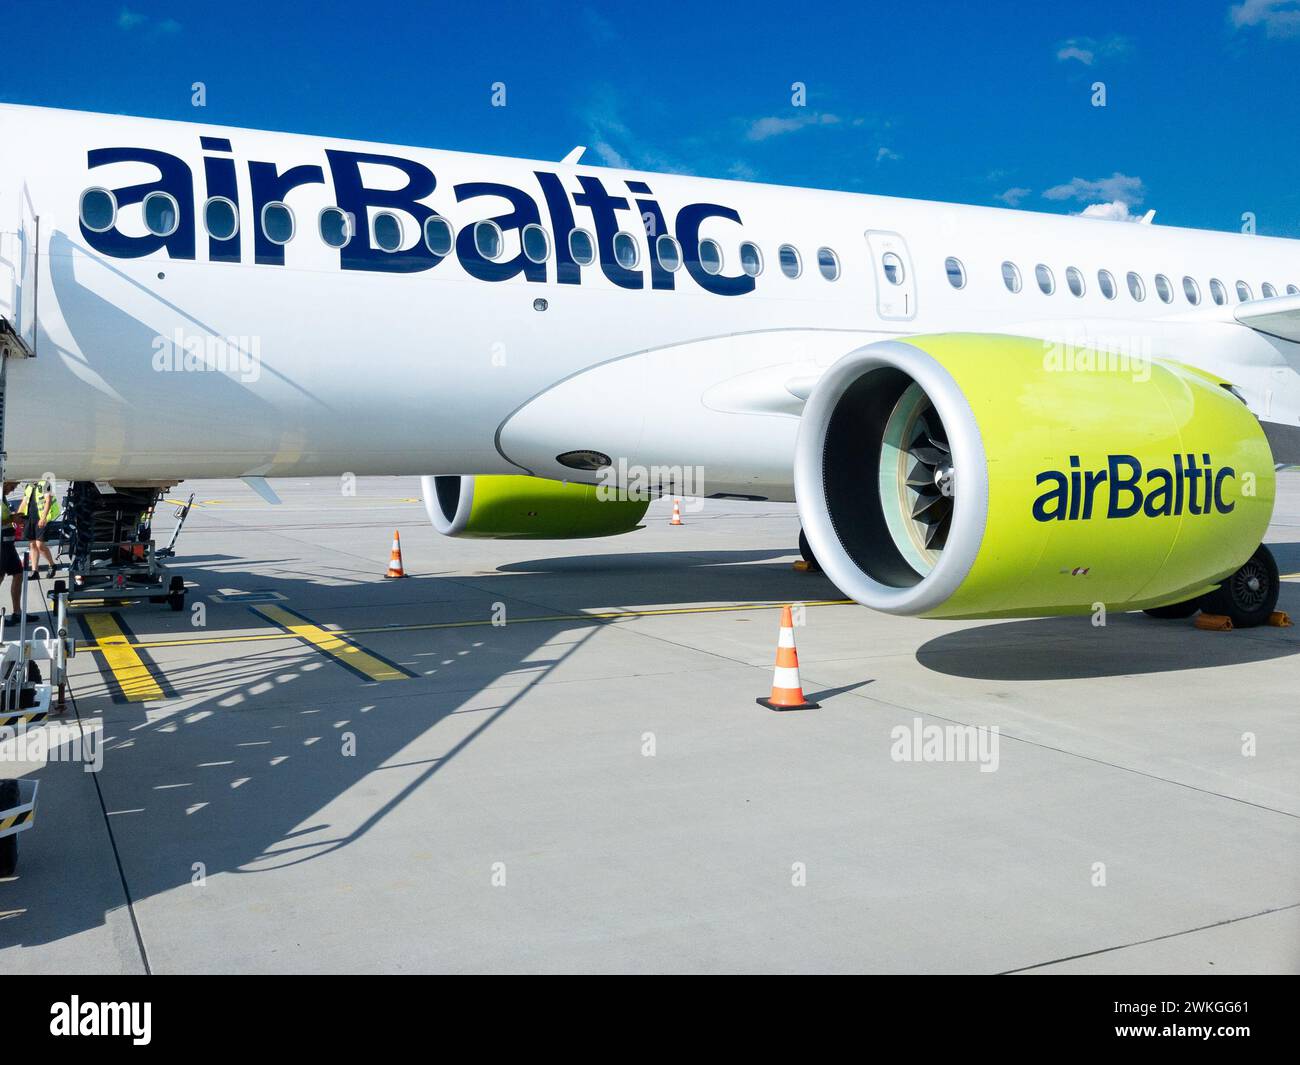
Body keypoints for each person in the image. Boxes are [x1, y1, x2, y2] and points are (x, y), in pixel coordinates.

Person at [17, 477, 59, 577]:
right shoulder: (29, 486)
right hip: (29, 518)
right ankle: (35, 571)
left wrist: (43, 518)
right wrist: (18, 516)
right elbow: (24, 502)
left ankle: (52, 565)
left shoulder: (45, 484)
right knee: (32, 545)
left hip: (41, 518)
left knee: (40, 545)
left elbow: (48, 500)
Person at [1, 482, 25, 621]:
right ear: (5, 483)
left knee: (18, 574)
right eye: (12, 487)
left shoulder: (3, 497)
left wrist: (13, 517)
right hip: (1, 543)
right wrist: (11, 518)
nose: (13, 490)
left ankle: (17, 612)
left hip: (8, 543)